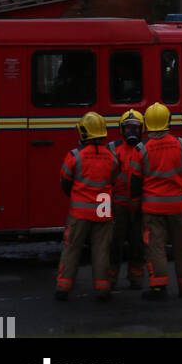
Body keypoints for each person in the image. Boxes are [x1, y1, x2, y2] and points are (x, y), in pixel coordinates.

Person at [131, 102, 182, 300]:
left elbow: (135, 180)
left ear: (147, 123)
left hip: (153, 208)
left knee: (155, 247)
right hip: (178, 206)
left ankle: (158, 287)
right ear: (168, 121)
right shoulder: (181, 145)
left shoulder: (141, 149)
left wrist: (135, 203)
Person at [55, 111, 119, 302]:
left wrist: (77, 196)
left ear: (84, 133)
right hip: (103, 209)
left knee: (72, 248)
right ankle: (102, 289)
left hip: (80, 211)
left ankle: (63, 288)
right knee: (101, 250)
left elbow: (65, 182)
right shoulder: (112, 157)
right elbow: (113, 180)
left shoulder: (75, 156)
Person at [108, 109, 145, 290]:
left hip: (138, 205)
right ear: (121, 129)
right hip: (118, 206)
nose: (132, 131)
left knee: (138, 244)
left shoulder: (144, 149)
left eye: (136, 128)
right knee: (115, 244)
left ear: (142, 129)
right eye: (128, 127)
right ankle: (110, 279)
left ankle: (136, 277)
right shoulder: (113, 149)